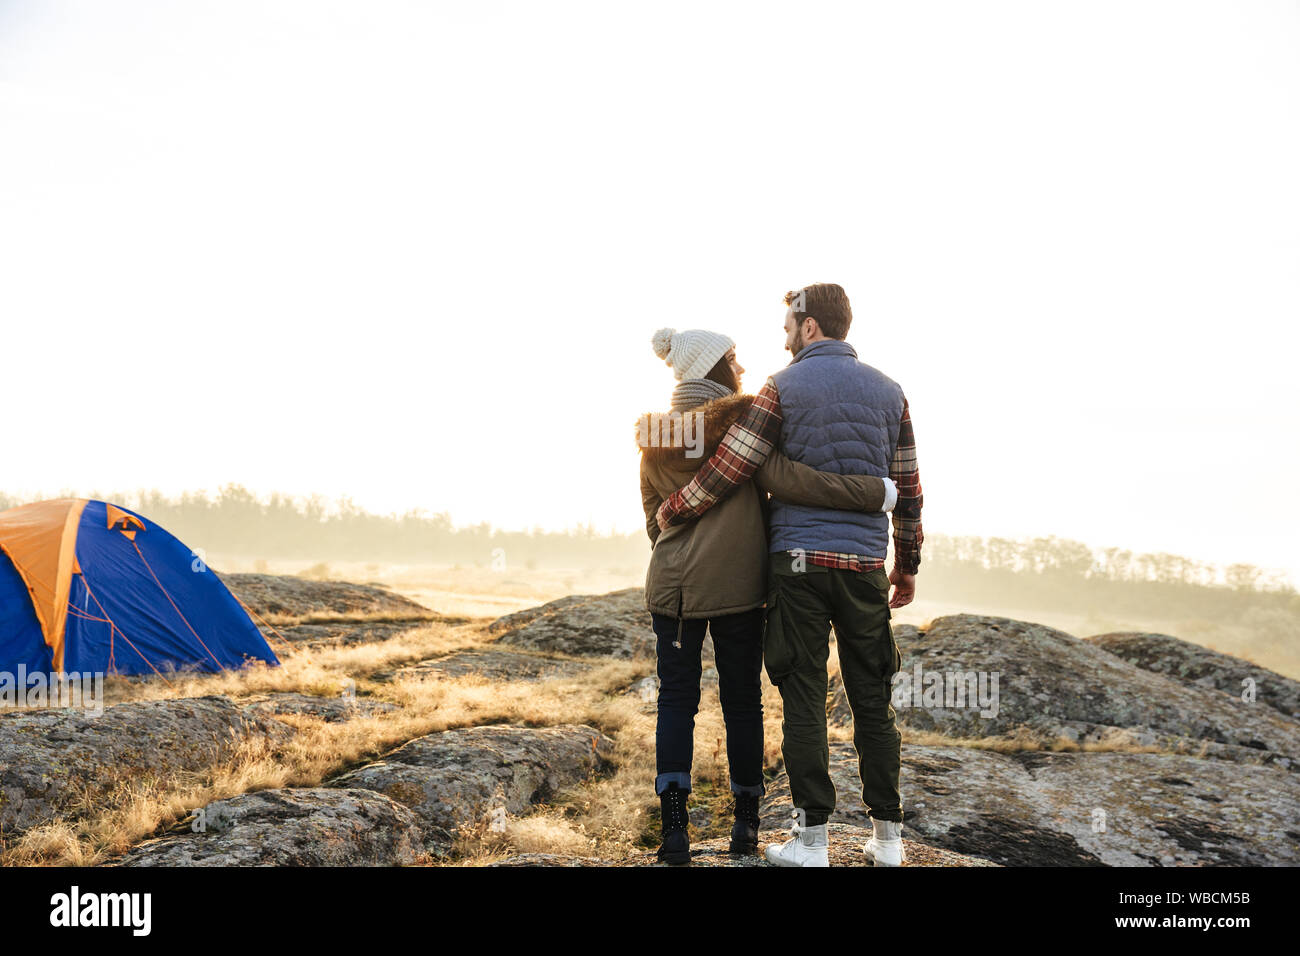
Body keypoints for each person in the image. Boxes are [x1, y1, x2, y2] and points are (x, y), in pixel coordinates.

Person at [656, 283, 923, 868]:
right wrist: (906, 565)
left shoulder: (781, 387)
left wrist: (676, 508)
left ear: (809, 327)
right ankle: (888, 841)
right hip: (862, 567)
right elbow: (908, 489)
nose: (782, 338)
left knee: (802, 697)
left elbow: (734, 465)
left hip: (797, 566)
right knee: (873, 699)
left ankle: (812, 842)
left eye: (786, 327)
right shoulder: (890, 391)